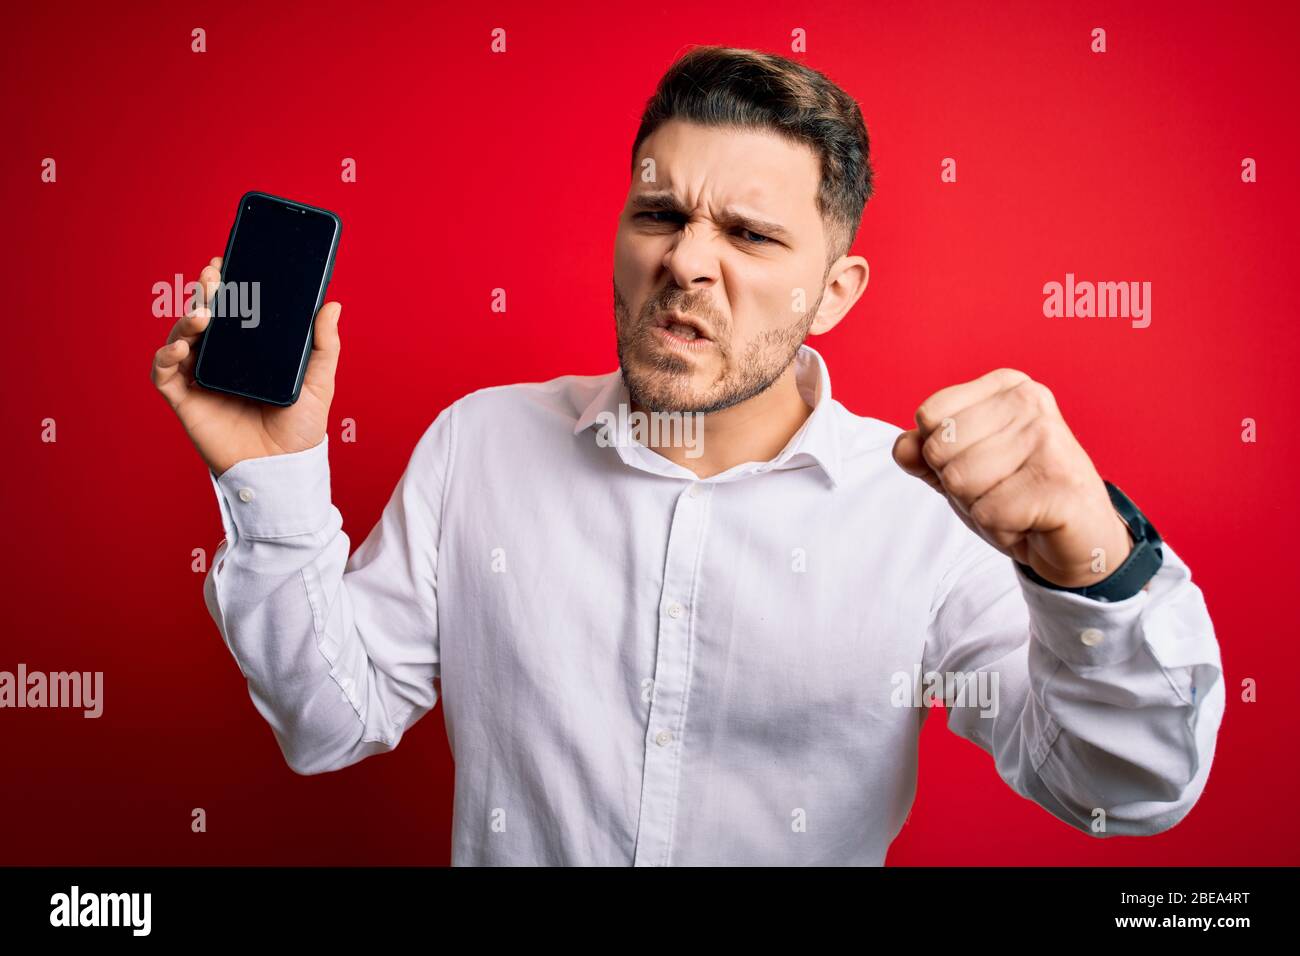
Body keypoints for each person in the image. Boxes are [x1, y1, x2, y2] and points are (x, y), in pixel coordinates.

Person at [151, 45, 1224, 866]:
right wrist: (271, 475)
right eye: (658, 214)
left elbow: (1118, 787)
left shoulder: (922, 513)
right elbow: (327, 723)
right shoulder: (477, 445)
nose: (686, 262)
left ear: (834, 291)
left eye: (750, 236)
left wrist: (1095, 564)